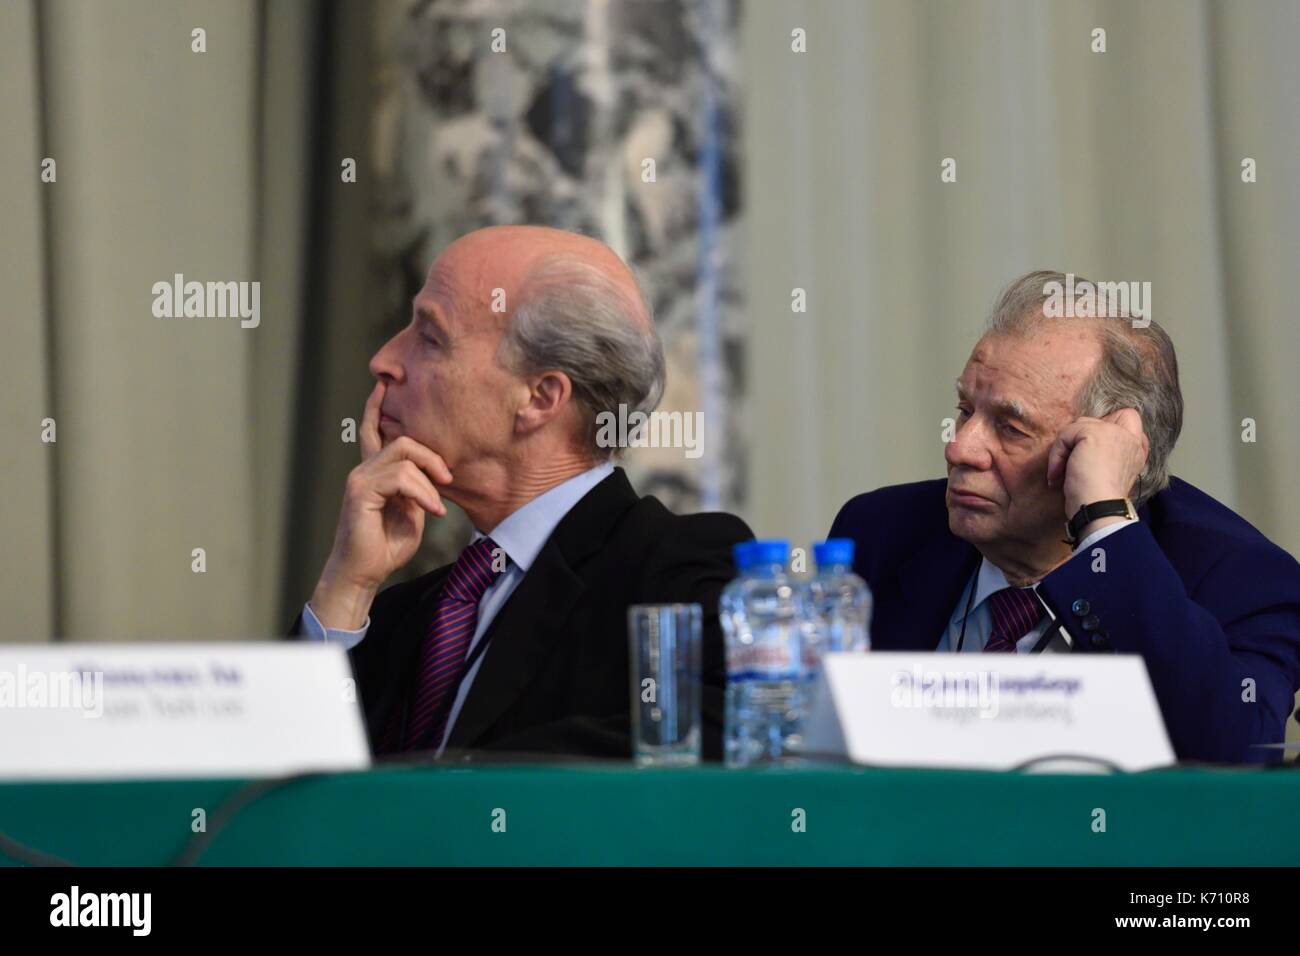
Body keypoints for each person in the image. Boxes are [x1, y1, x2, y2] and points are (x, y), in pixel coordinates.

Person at [291, 225, 752, 760]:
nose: (384, 360)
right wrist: (347, 587)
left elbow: (734, 734)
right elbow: (272, 806)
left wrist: (449, 784)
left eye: (430, 336)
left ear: (539, 398)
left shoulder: (673, 567)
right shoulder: (402, 613)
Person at [829, 270, 1300, 764]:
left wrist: (1103, 518)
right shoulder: (881, 531)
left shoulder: (1240, 576)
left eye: (1010, 429)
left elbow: (1230, 755)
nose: (959, 447)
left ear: (1102, 452)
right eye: (966, 410)